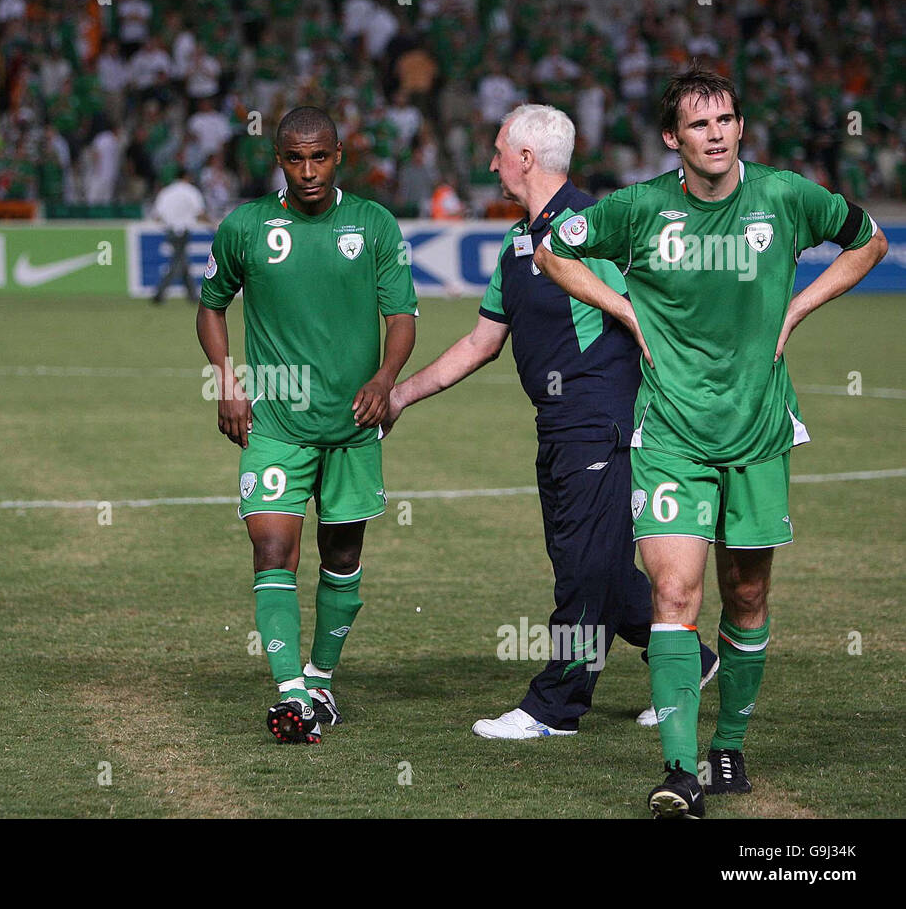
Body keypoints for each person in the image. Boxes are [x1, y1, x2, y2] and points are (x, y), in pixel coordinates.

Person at [535, 68, 888, 817]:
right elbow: (552, 252)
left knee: (748, 595)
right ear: (673, 138)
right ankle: (678, 772)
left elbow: (869, 240)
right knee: (673, 592)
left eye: (727, 119)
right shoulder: (638, 210)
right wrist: (624, 308)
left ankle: (728, 742)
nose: (718, 133)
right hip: (669, 433)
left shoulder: (786, 196)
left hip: (757, 429)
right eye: (700, 124)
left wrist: (797, 309)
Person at [386, 104, 717, 739]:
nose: (491, 164)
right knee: (599, 565)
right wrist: (401, 396)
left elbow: (662, 308)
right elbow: (482, 342)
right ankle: (691, 660)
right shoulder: (518, 243)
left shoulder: (598, 228)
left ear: (527, 159)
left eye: (499, 152)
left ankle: (555, 707)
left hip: (604, 419)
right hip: (559, 426)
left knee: (585, 568)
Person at [197, 106, 417, 743]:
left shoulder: (373, 224)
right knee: (272, 550)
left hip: (352, 422)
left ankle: (321, 676)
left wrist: (385, 381)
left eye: (319, 156)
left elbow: (401, 316)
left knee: (342, 555)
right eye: (295, 158)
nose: (308, 170)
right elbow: (211, 307)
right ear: (279, 161)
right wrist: (226, 379)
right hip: (273, 423)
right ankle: (292, 692)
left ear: (339, 154)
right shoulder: (244, 226)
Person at [150, 167, 212, 302]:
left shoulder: (166, 192)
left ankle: (192, 295)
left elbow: (156, 215)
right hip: (183, 230)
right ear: (187, 177)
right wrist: (212, 224)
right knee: (178, 262)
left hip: (170, 230)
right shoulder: (191, 191)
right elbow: (199, 212)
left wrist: (170, 219)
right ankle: (160, 294)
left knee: (181, 261)